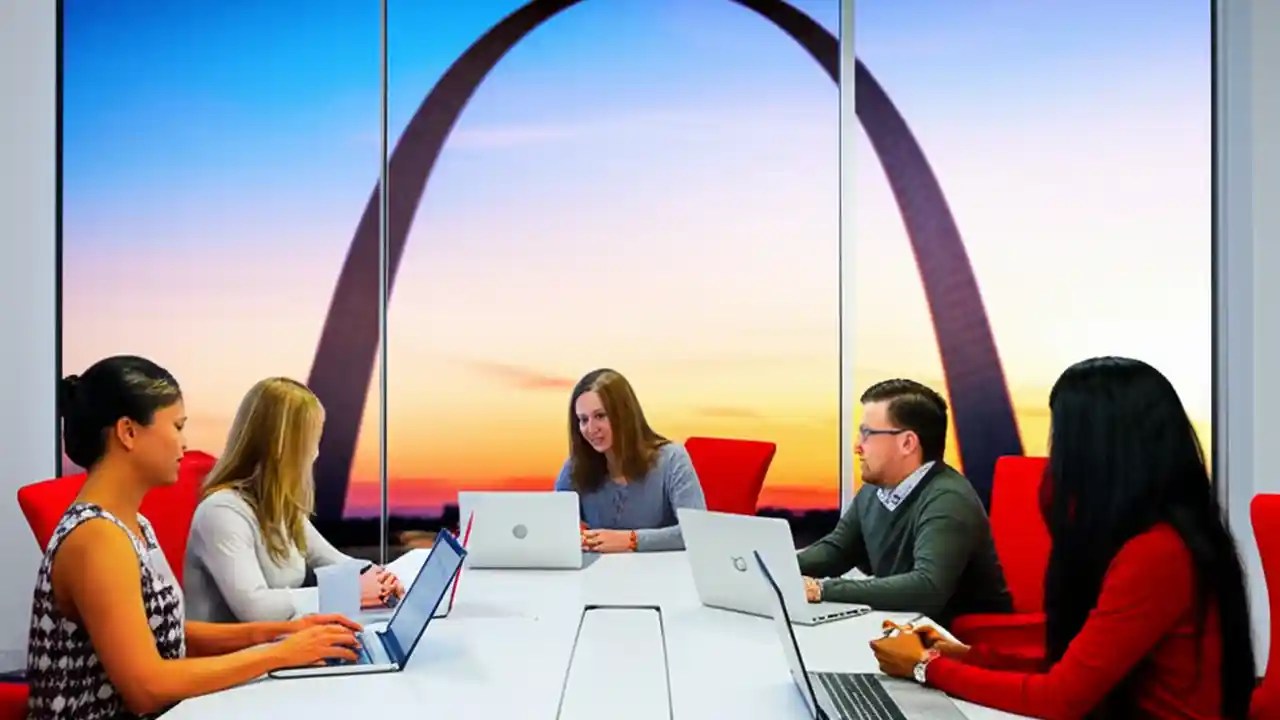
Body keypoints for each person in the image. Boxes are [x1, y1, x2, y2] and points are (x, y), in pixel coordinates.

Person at [871, 357, 1256, 719]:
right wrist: (960, 656)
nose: (1055, 459)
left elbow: (1061, 698)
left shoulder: (1157, 553)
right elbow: (1078, 667)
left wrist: (925, 667)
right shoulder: (1153, 535)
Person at [28, 357, 360, 720]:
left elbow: (166, 634)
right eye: (177, 426)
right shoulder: (97, 539)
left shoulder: (133, 523)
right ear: (128, 432)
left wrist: (283, 631)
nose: (184, 444)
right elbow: (146, 690)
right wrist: (280, 653)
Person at [185, 377, 404, 623]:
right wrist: (347, 592)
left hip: (282, 639)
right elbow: (256, 609)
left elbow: (330, 559)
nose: (316, 453)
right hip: (243, 646)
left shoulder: (280, 506)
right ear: (283, 446)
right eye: (312, 440)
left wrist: (377, 577)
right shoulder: (221, 512)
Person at [795, 379, 1012, 624]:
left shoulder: (948, 499)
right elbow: (837, 551)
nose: (857, 446)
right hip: (903, 627)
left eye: (867, 434)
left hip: (964, 638)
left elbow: (927, 589)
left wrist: (822, 590)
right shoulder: (874, 491)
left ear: (907, 443)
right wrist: (774, 568)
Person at [553, 368, 706, 552]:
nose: (591, 429)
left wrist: (632, 540)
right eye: (583, 420)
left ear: (624, 415)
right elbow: (553, 527)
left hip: (661, 568)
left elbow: (697, 532)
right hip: (600, 569)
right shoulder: (575, 467)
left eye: (600, 416)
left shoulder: (672, 459)